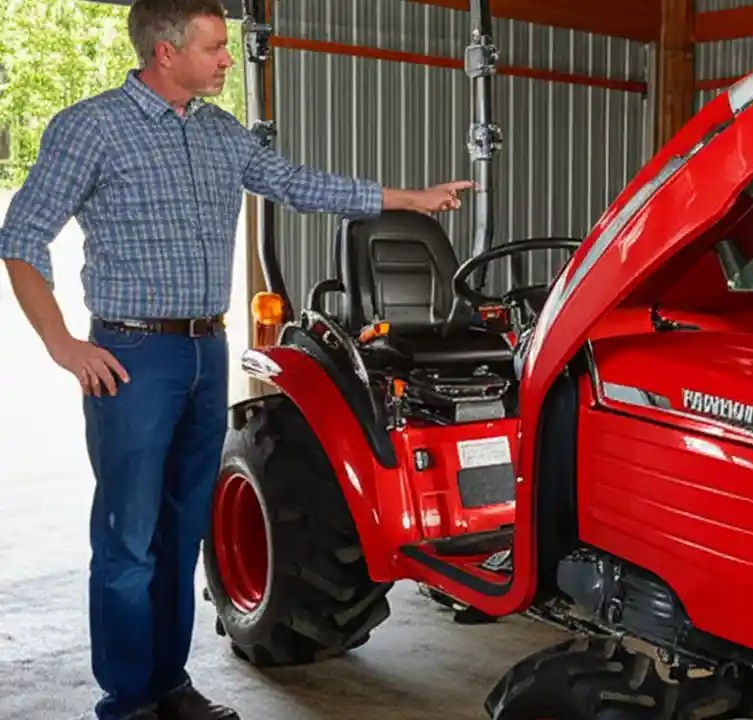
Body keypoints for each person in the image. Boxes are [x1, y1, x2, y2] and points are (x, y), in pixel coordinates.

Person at [0, 1, 473, 718]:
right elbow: (22, 236)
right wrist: (63, 344)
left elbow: (300, 184)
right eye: (216, 47)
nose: (228, 59)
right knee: (130, 539)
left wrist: (408, 199)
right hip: (130, 355)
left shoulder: (221, 132)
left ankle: (169, 684)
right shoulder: (91, 127)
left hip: (204, 350)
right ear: (166, 52)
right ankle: (128, 701)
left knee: (184, 526)